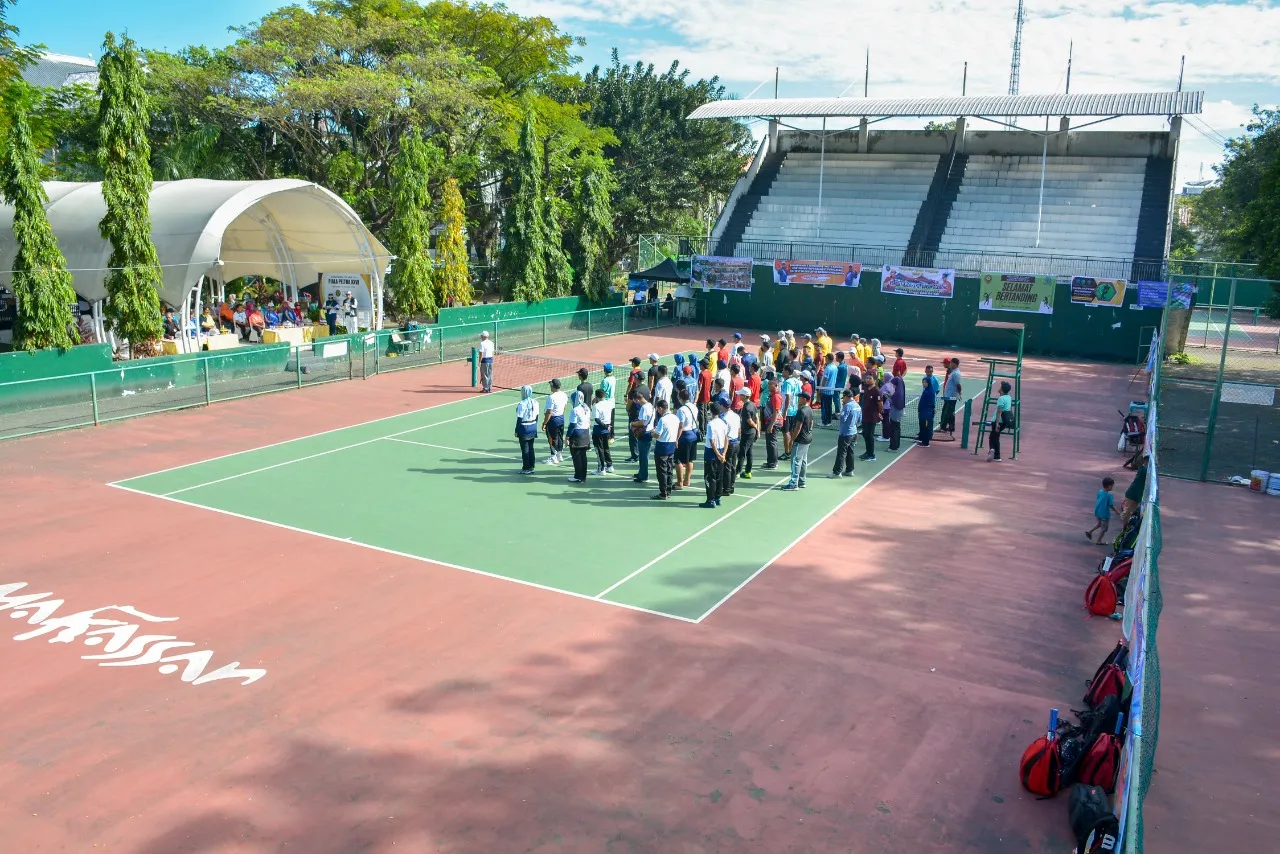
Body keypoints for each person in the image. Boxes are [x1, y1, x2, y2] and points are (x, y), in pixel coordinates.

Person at [782, 391, 814, 490]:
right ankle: (802, 481)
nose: (798, 399)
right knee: (803, 461)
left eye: (800, 398)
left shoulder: (802, 411)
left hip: (800, 440)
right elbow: (811, 422)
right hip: (807, 438)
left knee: (796, 461)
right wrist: (808, 431)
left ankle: (793, 483)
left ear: (804, 399)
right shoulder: (809, 409)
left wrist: (792, 440)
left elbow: (798, 427)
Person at [701, 400, 730, 509]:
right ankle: (718, 498)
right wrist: (723, 454)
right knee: (719, 476)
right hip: (722, 451)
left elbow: (712, 441)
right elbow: (727, 439)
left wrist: (718, 454)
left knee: (710, 477)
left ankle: (710, 500)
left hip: (711, 453)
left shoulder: (710, 424)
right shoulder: (723, 423)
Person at [652, 399, 680, 499]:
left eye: (657, 409)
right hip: (671, 446)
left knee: (661, 471)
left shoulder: (662, 420)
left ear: (660, 408)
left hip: (662, 447)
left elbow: (657, 435)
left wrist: (652, 432)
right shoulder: (675, 417)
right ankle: (668, 490)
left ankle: (663, 493)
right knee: (669, 470)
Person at [831, 387, 861, 477]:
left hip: (845, 433)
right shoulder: (857, 406)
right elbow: (859, 420)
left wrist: (838, 415)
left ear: (846, 396)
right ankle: (849, 470)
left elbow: (843, 419)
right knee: (850, 452)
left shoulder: (847, 406)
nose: (843, 400)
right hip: (853, 432)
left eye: (843, 397)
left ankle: (837, 472)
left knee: (841, 452)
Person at [675, 387, 699, 489]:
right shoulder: (694, 407)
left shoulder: (681, 410)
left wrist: (676, 439)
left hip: (684, 436)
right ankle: (687, 481)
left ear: (680, 398)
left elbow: (681, 426)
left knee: (678, 460)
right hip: (693, 435)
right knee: (690, 460)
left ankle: (679, 483)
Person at [567, 391, 593, 483]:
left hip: (577, 435)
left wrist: (567, 437)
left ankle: (578, 476)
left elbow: (572, 425)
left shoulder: (575, 410)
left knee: (576, 456)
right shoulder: (586, 407)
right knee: (583, 456)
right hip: (585, 433)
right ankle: (583, 476)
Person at [514, 385, 540, 474]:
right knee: (531, 448)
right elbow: (537, 417)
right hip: (532, 426)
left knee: (525, 449)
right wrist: (534, 425)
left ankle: (526, 468)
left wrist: (516, 430)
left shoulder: (522, 404)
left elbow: (519, 419)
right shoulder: (535, 402)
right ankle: (532, 466)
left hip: (524, 428)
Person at [631, 388, 655, 483]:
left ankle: (644, 476)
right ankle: (641, 472)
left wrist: (632, 424)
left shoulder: (644, 408)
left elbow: (642, 422)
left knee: (643, 456)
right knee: (644, 455)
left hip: (644, 434)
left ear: (637, 399)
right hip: (649, 432)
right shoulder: (650, 405)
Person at [542, 378, 567, 465]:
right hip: (561, 418)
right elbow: (564, 407)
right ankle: (559, 455)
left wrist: (544, 423)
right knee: (560, 437)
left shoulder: (551, 397)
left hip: (553, 420)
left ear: (553, 386)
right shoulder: (564, 395)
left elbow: (549, 412)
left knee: (552, 439)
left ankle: (553, 457)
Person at [1087, 477, 1120, 543]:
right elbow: (1111, 505)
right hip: (1104, 514)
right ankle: (1099, 540)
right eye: (1112, 486)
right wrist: (1117, 511)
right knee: (1104, 528)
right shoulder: (1109, 495)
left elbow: (1098, 499)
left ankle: (1090, 532)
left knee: (1099, 524)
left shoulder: (1100, 492)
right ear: (1109, 486)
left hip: (1098, 511)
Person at [736, 387, 759, 481]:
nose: (739, 396)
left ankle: (737, 472)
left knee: (742, 453)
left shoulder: (746, 407)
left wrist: (755, 427)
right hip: (751, 433)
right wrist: (757, 429)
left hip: (747, 433)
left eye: (741, 395)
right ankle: (748, 472)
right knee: (749, 452)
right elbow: (757, 418)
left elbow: (749, 420)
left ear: (745, 396)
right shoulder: (752, 404)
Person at [988, 380, 1013, 462]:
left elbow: (999, 411)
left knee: (992, 437)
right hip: (1005, 422)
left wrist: (997, 423)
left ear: (1002, 389)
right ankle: (997, 456)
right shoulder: (1009, 398)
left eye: (1000, 387)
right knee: (996, 437)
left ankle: (992, 449)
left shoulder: (1001, 399)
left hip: (998, 421)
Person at [780, 364, 802, 459]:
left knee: (786, 432)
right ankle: (792, 451)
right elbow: (799, 394)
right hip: (795, 410)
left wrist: (785, 411)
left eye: (783, 370)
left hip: (788, 411)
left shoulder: (787, 383)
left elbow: (788, 397)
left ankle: (787, 452)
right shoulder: (796, 381)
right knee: (792, 431)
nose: (782, 372)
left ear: (787, 372)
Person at [721, 393, 741, 495]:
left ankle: (726, 489)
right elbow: (738, 430)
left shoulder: (724, 418)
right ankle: (731, 486)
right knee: (733, 466)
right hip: (736, 442)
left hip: (729, 443)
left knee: (727, 467)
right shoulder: (736, 416)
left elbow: (724, 434)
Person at [625, 357, 645, 461]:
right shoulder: (641, 372)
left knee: (633, 433)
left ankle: (634, 455)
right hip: (641, 408)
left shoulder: (633, 372)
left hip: (634, 407)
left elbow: (630, 384)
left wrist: (626, 394)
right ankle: (638, 454)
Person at [591, 388, 615, 474]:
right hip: (607, 430)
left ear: (596, 397)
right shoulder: (609, 404)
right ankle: (610, 466)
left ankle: (601, 469)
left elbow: (597, 420)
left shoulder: (596, 406)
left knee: (599, 450)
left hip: (598, 431)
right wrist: (609, 427)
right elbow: (612, 417)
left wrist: (605, 427)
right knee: (606, 448)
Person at [859, 374, 882, 461]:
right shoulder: (866, 389)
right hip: (865, 416)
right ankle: (868, 452)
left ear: (875, 381)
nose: (867, 379)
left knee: (869, 436)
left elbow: (880, 404)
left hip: (872, 417)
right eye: (867, 378)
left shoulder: (877, 391)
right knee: (865, 434)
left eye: (870, 378)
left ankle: (871, 455)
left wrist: (879, 413)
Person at [762, 374, 783, 469]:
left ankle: (773, 463)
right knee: (770, 442)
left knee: (772, 442)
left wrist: (771, 425)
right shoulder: (772, 396)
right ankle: (770, 461)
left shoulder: (776, 397)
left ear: (776, 386)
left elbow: (776, 412)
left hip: (774, 422)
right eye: (769, 384)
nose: (769, 385)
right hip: (770, 421)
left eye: (771, 384)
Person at [1122, 456, 1148, 523]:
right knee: (1127, 512)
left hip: (1137, 495)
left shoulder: (1144, 470)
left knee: (1132, 511)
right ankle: (1124, 527)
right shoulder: (1143, 470)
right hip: (1132, 495)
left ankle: (1127, 524)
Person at [940, 358, 962, 438]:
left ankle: (943, 427)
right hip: (949, 396)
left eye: (951, 363)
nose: (950, 365)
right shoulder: (954, 372)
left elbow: (958, 385)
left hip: (951, 396)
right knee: (950, 412)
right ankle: (951, 426)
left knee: (947, 411)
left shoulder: (956, 373)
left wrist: (959, 394)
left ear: (955, 364)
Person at [886, 368, 907, 451]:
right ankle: (896, 445)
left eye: (894, 384)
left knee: (893, 429)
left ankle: (893, 446)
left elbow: (893, 401)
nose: (893, 385)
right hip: (899, 413)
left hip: (894, 413)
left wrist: (888, 397)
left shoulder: (897, 393)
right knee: (897, 429)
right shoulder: (900, 391)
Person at [916, 374, 936, 447]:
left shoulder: (929, 392)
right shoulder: (926, 390)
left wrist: (932, 409)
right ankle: (922, 439)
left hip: (927, 413)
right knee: (923, 426)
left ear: (929, 383)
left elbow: (930, 403)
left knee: (926, 428)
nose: (924, 383)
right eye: (923, 382)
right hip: (923, 412)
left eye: (925, 382)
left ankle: (925, 443)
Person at [819, 352, 838, 426]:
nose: (825, 360)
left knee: (824, 407)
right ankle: (829, 421)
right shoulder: (835, 367)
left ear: (828, 359)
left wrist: (821, 389)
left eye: (826, 358)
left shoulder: (828, 368)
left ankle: (824, 422)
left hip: (825, 390)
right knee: (829, 406)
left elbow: (825, 379)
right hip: (831, 390)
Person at [696, 357, 714, 433]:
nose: (699, 366)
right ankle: (706, 428)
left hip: (701, 396)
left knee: (701, 413)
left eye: (700, 364)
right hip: (707, 396)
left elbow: (699, 386)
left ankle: (701, 429)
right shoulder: (709, 373)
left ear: (703, 365)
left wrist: (696, 396)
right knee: (705, 412)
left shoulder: (702, 374)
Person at [600, 362, 617, 441]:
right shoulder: (613, 378)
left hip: (606, 403)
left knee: (606, 420)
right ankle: (612, 436)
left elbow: (602, 392)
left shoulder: (605, 381)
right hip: (612, 402)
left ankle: (607, 436)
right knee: (612, 420)